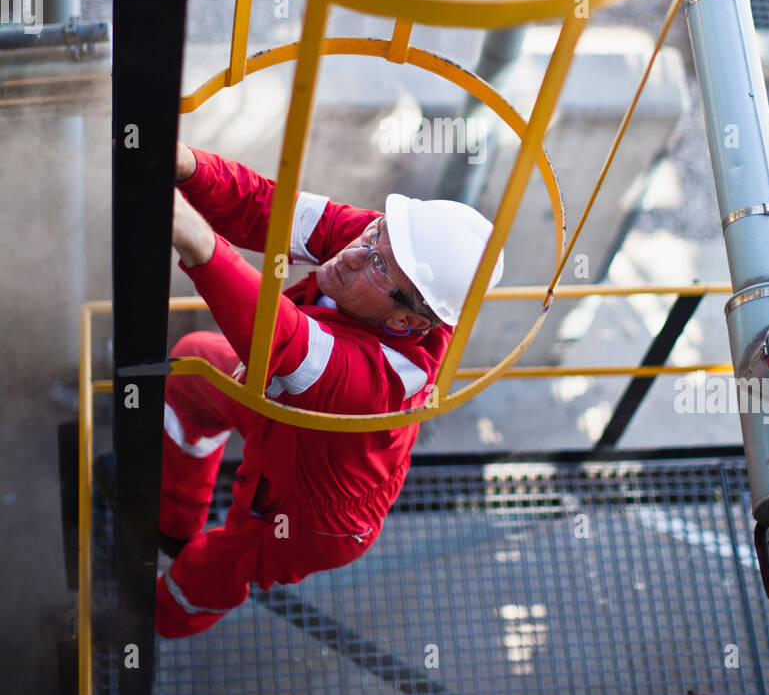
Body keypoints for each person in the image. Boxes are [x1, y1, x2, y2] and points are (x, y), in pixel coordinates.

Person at [151, 142, 504, 638]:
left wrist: (195, 239)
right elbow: (270, 210)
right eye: (374, 233)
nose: (354, 254)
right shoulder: (390, 252)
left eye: (378, 267)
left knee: (215, 567)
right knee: (193, 367)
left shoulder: (379, 381)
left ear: (408, 319)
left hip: (311, 510)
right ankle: (174, 522)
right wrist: (188, 167)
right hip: (290, 419)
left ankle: (145, 623)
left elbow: (284, 339)